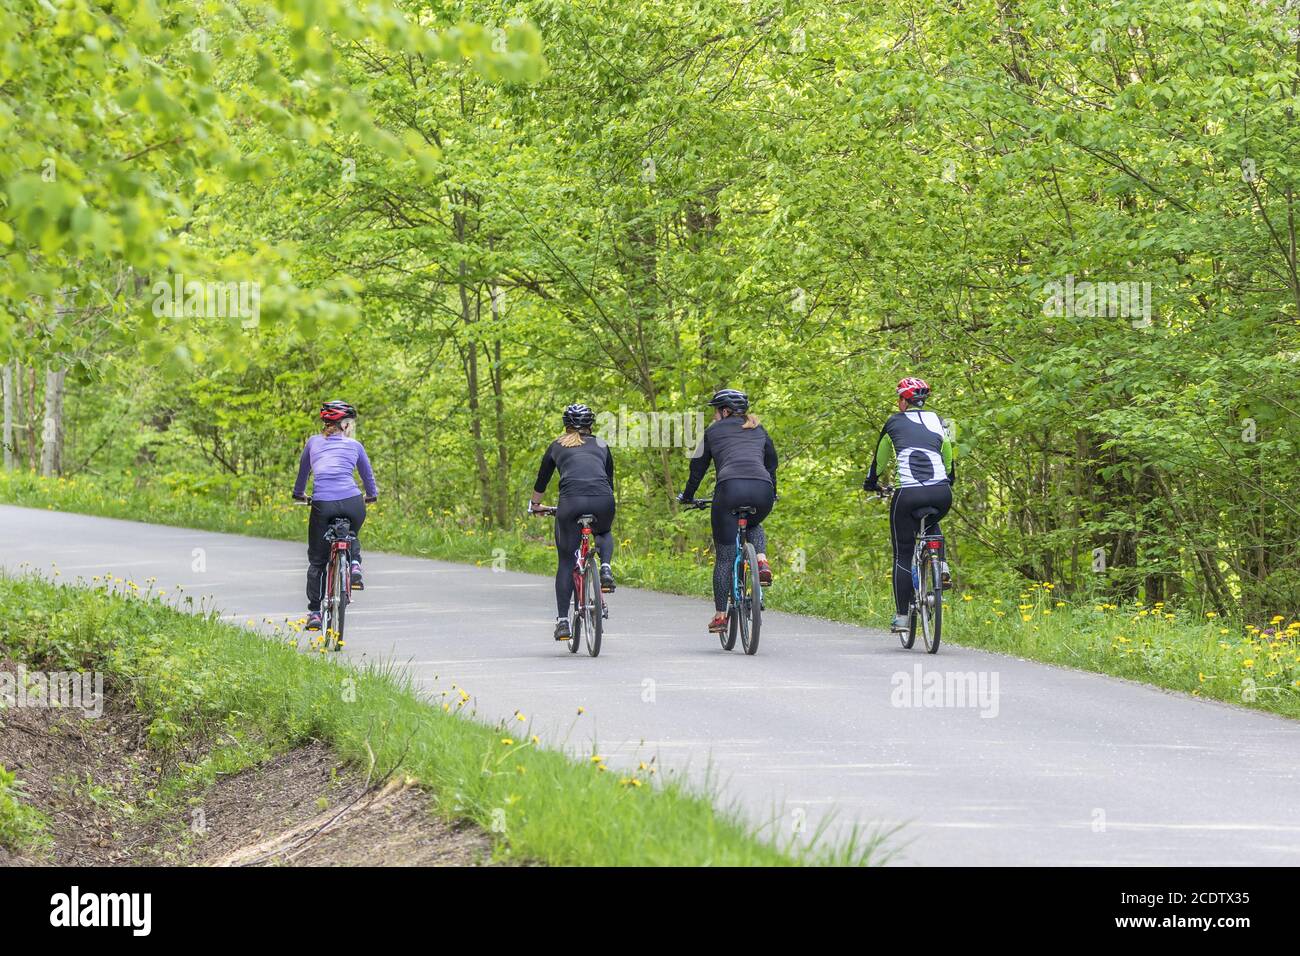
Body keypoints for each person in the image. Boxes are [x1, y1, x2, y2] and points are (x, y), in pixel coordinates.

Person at [677, 388, 778, 634]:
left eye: (715, 411)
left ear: (724, 411)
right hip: (762, 489)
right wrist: (772, 490)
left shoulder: (713, 431)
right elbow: (772, 462)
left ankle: (721, 616)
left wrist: (688, 496)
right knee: (753, 523)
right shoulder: (758, 429)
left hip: (729, 489)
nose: (713, 417)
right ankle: (762, 560)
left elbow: (697, 468)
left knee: (724, 557)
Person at [862, 377, 955, 632]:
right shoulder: (938, 420)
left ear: (903, 401)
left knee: (902, 553)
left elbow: (879, 460)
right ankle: (942, 566)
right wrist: (950, 478)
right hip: (942, 492)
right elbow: (948, 453)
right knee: (932, 521)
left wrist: (871, 482)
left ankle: (902, 616)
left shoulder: (894, 422)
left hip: (908, 495)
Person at [529, 403, 616, 642]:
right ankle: (606, 567)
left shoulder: (557, 445)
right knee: (604, 530)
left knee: (566, 561)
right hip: (603, 500)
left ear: (566, 425)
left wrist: (536, 505)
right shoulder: (601, 444)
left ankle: (563, 622)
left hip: (571, 503)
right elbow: (608, 479)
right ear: (590, 426)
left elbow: (542, 480)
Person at [292, 400, 379, 632]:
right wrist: (371, 496)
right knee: (352, 532)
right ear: (346, 425)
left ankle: (314, 613)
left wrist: (299, 494)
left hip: (323, 504)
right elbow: (368, 477)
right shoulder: (355, 446)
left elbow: (303, 475)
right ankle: (354, 564)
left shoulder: (312, 443)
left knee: (318, 561)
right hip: (352, 502)